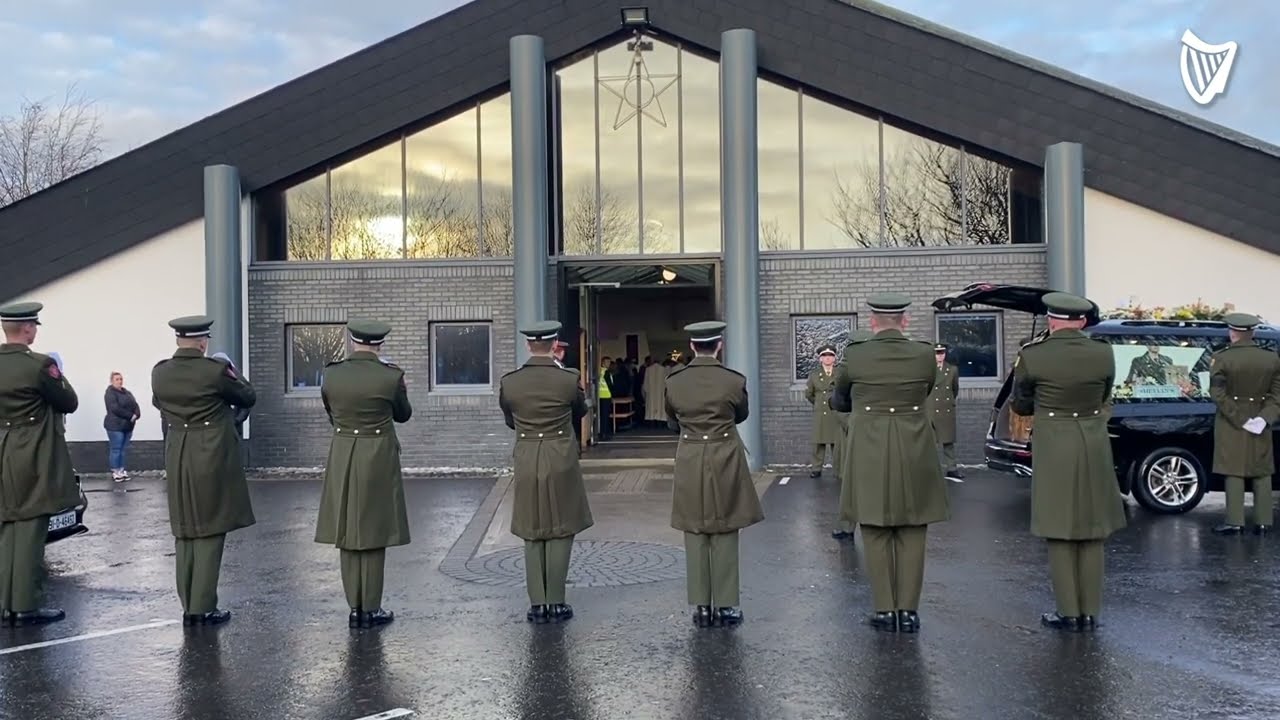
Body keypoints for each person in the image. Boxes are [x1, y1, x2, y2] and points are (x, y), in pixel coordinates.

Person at [830, 294, 948, 633]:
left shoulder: (855, 355)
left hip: (869, 444)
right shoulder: (924, 354)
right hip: (914, 444)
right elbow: (926, 389)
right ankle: (908, 611)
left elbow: (840, 400)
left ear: (872, 321)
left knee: (874, 525)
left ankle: (884, 609)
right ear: (904, 321)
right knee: (913, 527)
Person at [1010, 292, 1127, 631]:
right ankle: (1090, 612)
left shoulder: (1034, 355)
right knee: (1093, 529)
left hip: (1054, 443)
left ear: (1051, 320)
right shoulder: (1103, 353)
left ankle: (1068, 612)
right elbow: (1104, 395)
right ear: (1082, 321)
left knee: (1059, 527)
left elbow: (1020, 404)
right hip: (1093, 440)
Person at [151, 315, 257, 626]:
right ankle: (203, 606)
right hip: (210, 451)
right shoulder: (214, 371)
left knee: (185, 529)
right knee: (210, 527)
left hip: (177, 451)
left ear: (178, 339)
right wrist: (231, 371)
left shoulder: (160, 372)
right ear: (202, 342)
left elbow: (158, 402)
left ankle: (188, 604)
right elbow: (247, 396)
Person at [665, 320, 764, 627]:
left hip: (690, 453)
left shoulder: (674, 381)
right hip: (725, 453)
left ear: (692, 346)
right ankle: (725, 604)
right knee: (725, 525)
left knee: (695, 527)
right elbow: (741, 414)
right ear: (719, 345)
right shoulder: (733, 380)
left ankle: (701, 606)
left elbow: (672, 420)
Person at [315, 319, 413, 628]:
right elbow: (403, 415)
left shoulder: (332, 374)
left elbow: (331, 412)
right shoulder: (390, 376)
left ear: (353, 340)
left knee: (346, 529)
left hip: (343, 451)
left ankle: (354, 608)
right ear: (379, 343)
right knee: (374, 529)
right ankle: (370, 607)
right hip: (378, 455)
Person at [499, 321, 593, 623]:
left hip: (527, 454)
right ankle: (556, 600)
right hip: (560, 454)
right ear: (554, 345)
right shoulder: (568, 378)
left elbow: (510, 420)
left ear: (528, 345)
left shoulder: (510, 382)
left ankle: (537, 604)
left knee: (532, 528)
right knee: (561, 527)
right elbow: (580, 410)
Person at [0, 301, 78, 626]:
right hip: (32, 451)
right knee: (31, 529)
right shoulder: (40, 365)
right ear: (28, 329)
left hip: (2, 449)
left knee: (7, 527)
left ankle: (6, 604)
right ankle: (25, 605)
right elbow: (68, 401)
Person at [1208, 312, 1280, 535]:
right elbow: (1277, 395)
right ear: (1253, 332)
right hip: (1260, 417)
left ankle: (1235, 521)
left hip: (1232, 420)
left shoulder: (1222, 358)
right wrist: (1264, 418)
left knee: (1233, 469)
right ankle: (1263, 521)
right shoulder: (1271, 358)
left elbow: (1218, 393)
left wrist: (1241, 419)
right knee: (1262, 470)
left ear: (1233, 333)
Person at [832, 329, 874, 540]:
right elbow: (838, 402)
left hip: (862, 427)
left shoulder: (849, 367)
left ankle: (850, 526)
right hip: (865, 428)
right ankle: (849, 525)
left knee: (854, 481)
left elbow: (838, 402)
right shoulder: (849, 368)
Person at [805, 344, 844, 479]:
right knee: (818, 442)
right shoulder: (814, 374)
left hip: (835, 411)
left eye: (830, 355)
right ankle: (816, 469)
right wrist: (818, 403)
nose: (828, 358)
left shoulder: (840, 373)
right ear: (820, 359)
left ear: (834, 358)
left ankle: (839, 470)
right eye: (824, 356)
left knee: (837, 443)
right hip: (820, 412)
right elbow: (809, 394)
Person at [927, 343, 962, 480]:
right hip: (931, 408)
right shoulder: (928, 370)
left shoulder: (952, 370)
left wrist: (949, 402)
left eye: (942, 353)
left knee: (948, 441)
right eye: (937, 353)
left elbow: (955, 389)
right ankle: (931, 469)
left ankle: (952, 468)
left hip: (946, 408)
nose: (940, 356)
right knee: (930, 442)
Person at [104, 371, 141, 482]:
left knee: (123, 449)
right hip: (115, 426)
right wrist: (130, 416)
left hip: (127, 426)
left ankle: (122, 470)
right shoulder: (110, 394)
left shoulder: (127, 393)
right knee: (116, 449)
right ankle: (115, 471)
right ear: (111, 381)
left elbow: (135, 405)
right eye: (117, 379)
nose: (119, 381)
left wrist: (137, 414)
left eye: (121, 379)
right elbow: (115, 408)